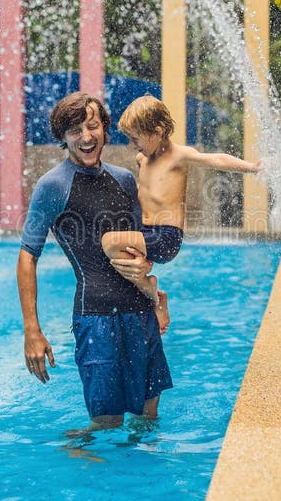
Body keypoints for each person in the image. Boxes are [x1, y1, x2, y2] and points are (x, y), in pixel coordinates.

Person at [17, 91, 173, 427]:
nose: (86, 137)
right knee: (106, 423)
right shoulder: (52, 186)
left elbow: (139, 246)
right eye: (75, 130)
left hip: (141, 316)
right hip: (96, 320)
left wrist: (153, 288)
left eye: (92, 126)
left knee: (149, 418)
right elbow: (27, 257)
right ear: (63, 138)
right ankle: (76, 450)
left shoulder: (125, 180)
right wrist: (32, 330)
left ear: (104, 128)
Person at [101, 94, 261, 333]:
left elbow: (216, 158)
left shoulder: (179, 156)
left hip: (166, 237)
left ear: (158, 130)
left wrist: (252, 168)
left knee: (110, 242)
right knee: (112, 254)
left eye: (136, 138)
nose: (133, 145)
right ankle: (151, 289)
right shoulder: (141, 159)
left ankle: (152, 291)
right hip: (144, 233)